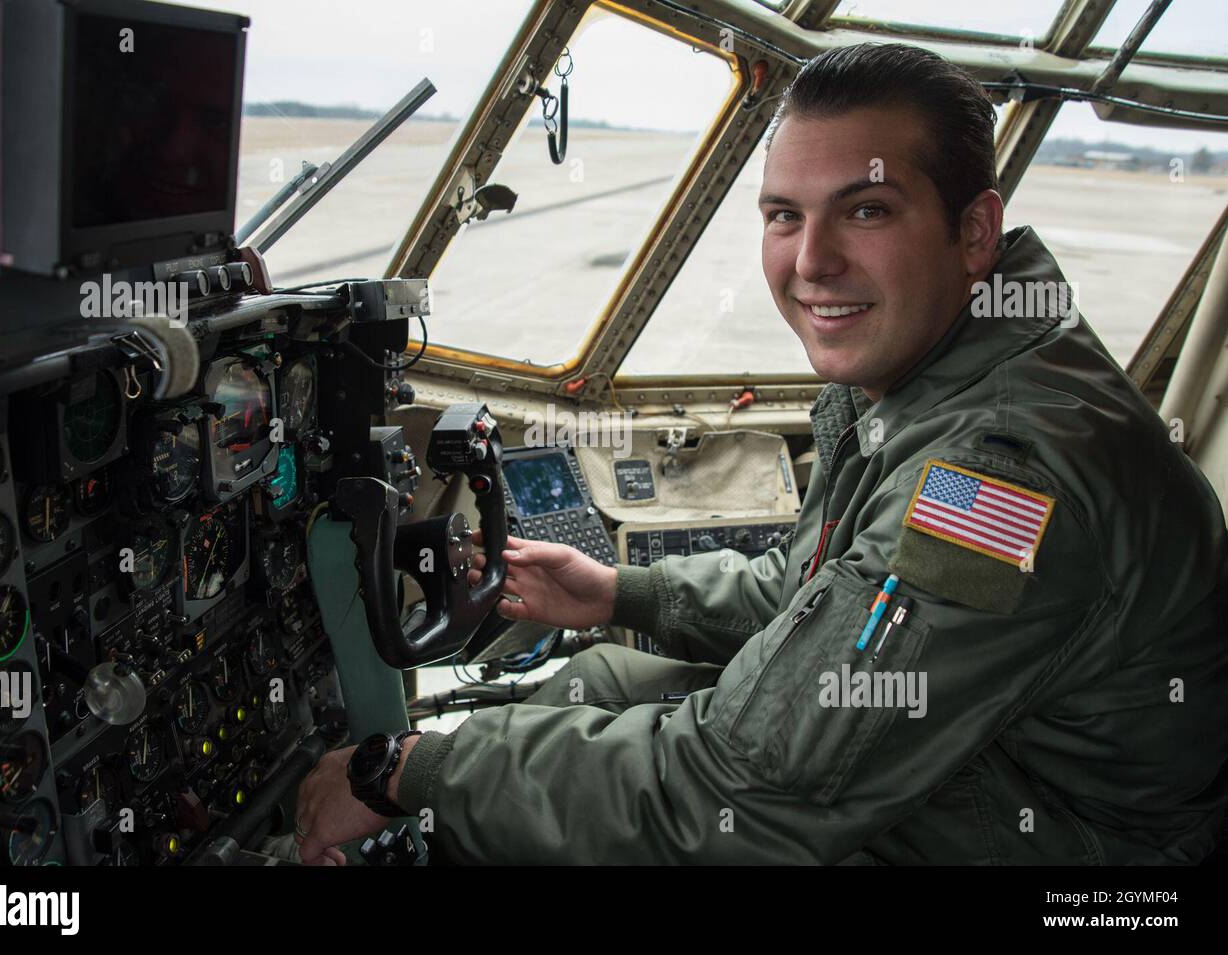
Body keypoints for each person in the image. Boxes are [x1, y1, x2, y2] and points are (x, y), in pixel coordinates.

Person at [295, 43, 1228, 865]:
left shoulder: (1002, 481)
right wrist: (623, 594)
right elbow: (811, 596)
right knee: (603, 677)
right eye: (784, 215)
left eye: (864, 211)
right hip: (1004, 766)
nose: (809, 261)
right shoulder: (931, 380)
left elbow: (733, 796)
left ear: (974, 233)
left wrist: (402, 772)